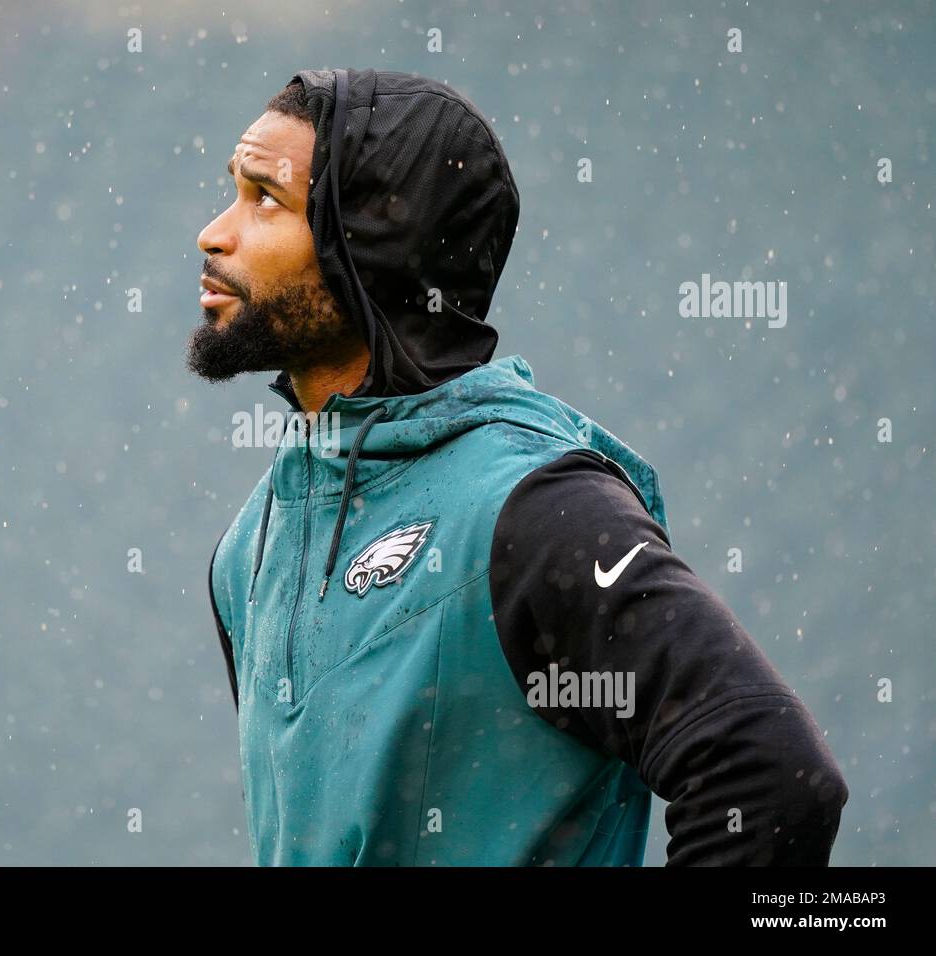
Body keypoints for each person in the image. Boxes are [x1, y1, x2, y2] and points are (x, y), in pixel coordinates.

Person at [188, 68, 849, 866]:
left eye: (266, 198)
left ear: (371, 243)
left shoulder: (536, 507)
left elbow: (769, 770)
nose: (214, 234)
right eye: (233, 190)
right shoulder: (247, 547)